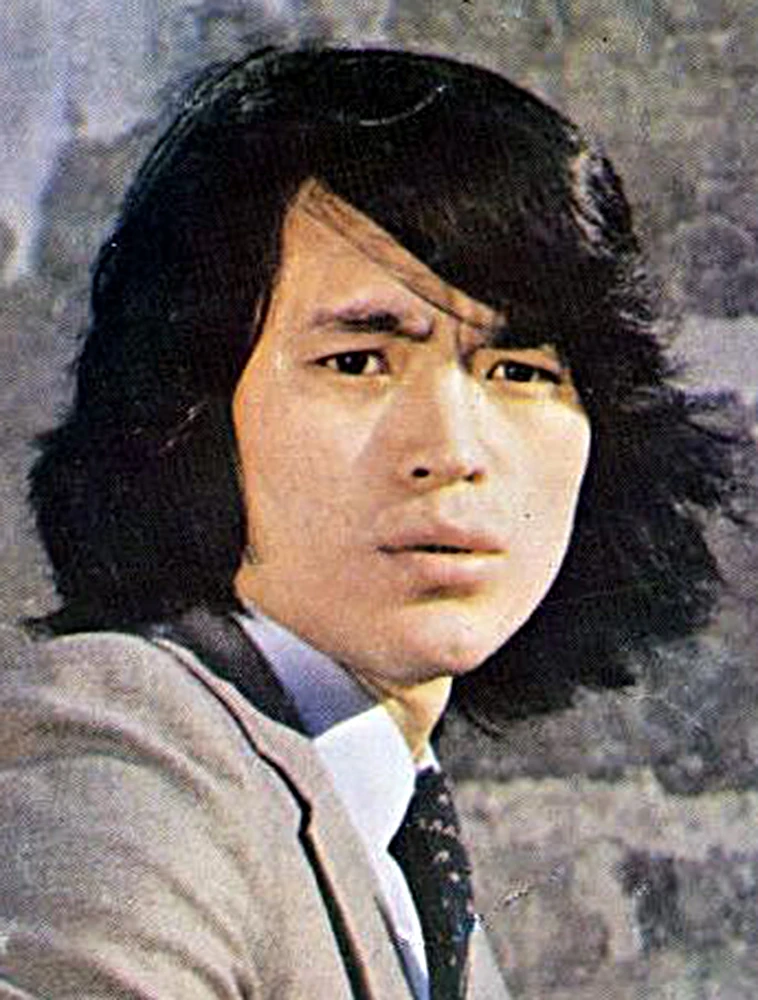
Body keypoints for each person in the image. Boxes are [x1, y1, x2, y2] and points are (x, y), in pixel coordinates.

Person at [0, 46, 741, 999]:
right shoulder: (130, 760)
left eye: (520, 372)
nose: (451, 449)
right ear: (190, 409)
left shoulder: (388, 820)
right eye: (357, 362)